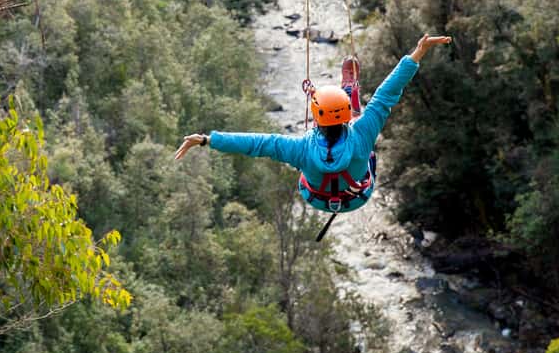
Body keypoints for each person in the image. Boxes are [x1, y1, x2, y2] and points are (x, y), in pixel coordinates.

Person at [175, 34, 451, 234]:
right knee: (366, 135)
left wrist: (207, 140)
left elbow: (256, 143)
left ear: (317, 119)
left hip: (315, 196)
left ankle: (343, 95)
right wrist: (417, 53)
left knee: (303, 145)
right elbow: (386, 95)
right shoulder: (361, 133)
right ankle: (348, 93)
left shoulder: (301, 148)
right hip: (357, 195)